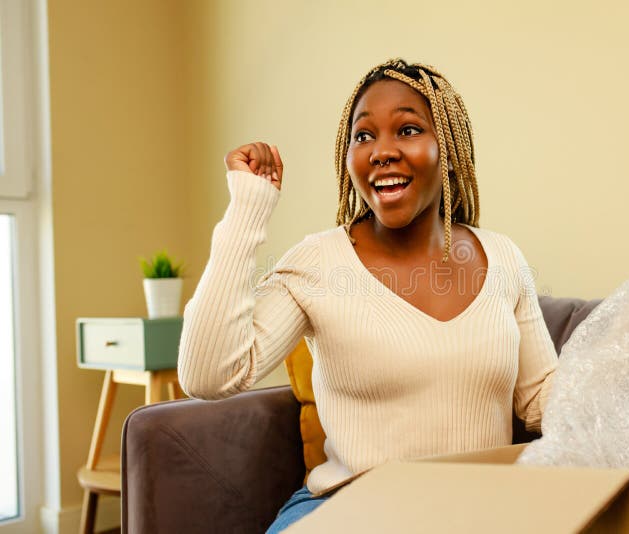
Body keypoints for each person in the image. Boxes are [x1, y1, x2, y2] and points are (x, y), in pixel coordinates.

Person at [177, 59, 559, 534]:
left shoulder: (503, 258)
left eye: (408, 129)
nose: (381, 151)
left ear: (450, 149)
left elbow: (543, 398)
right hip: (347, 511)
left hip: (474, 512)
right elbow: (209, 374)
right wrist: (247, 209)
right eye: (364, 136)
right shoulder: (316, 262)